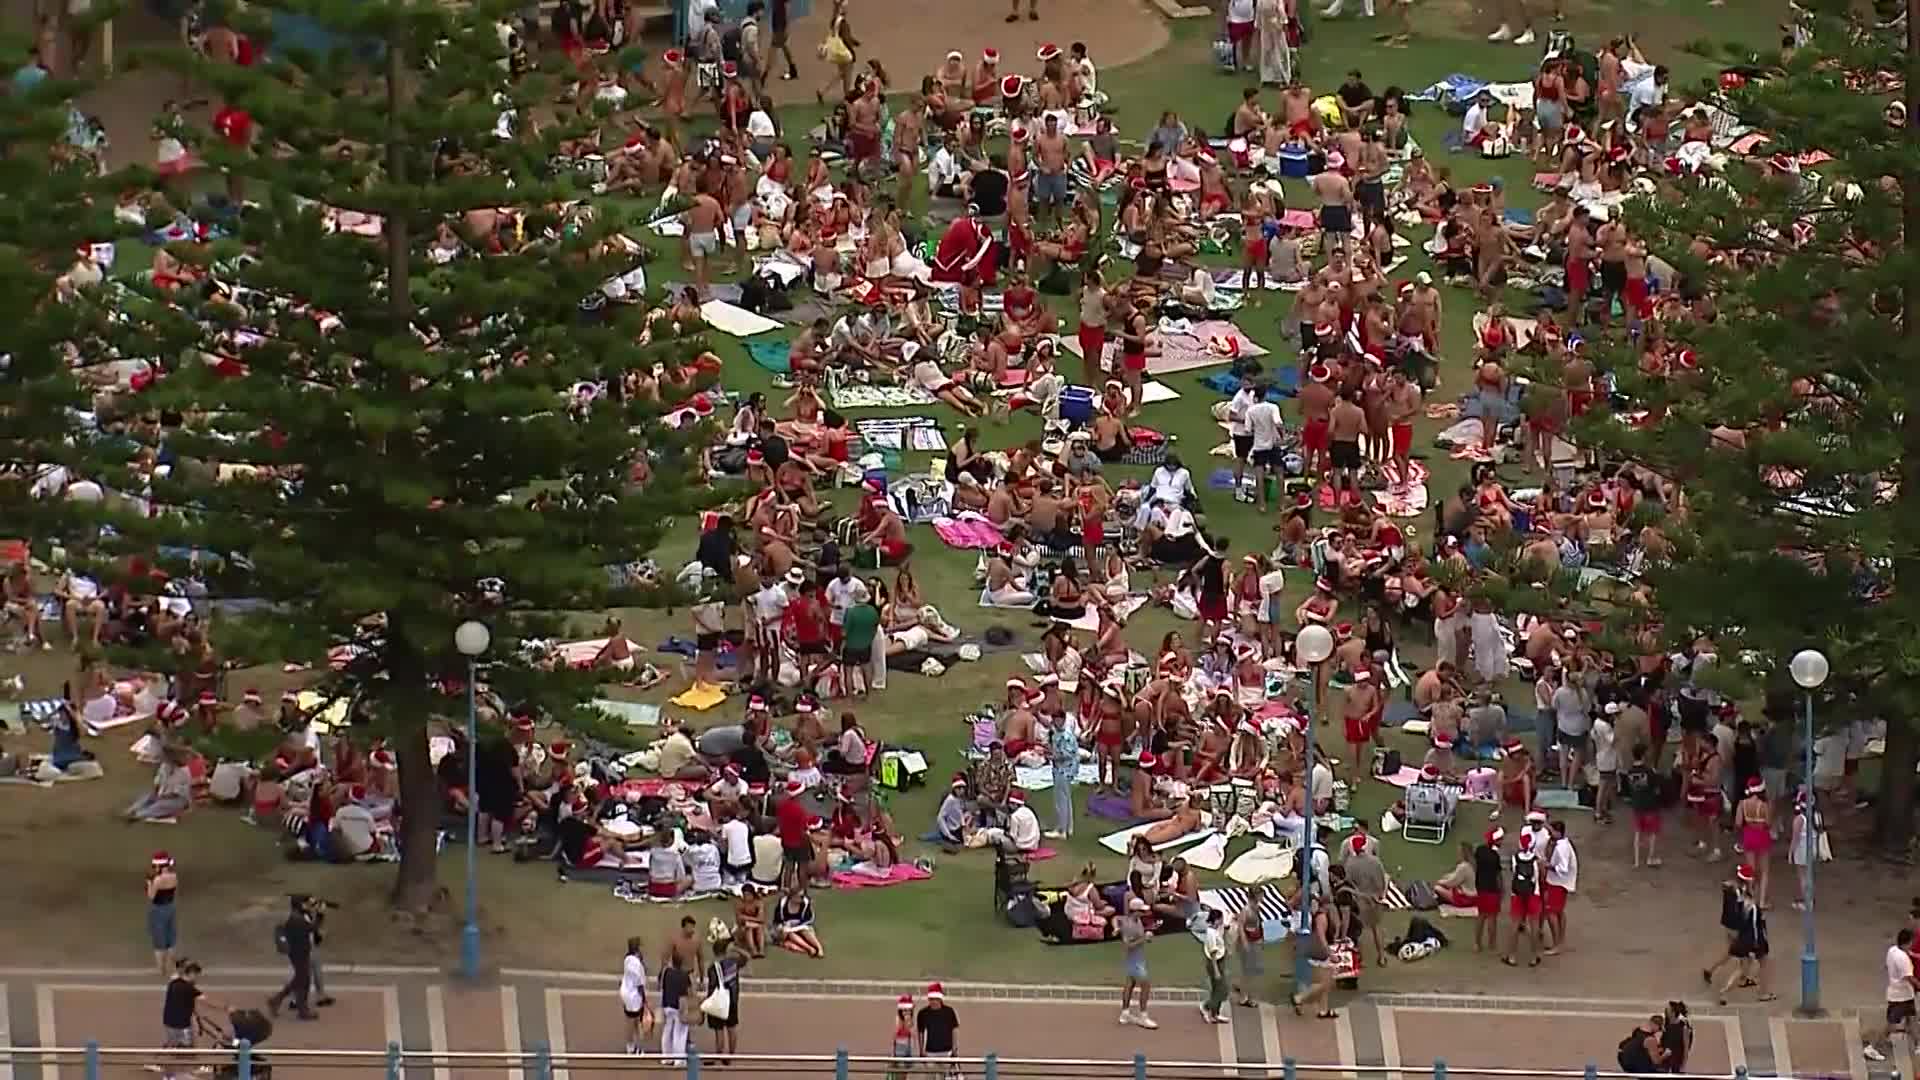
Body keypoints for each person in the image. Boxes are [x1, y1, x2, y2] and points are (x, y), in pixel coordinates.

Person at [1717, 864, 1773, 1004]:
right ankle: (1762, 993)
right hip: (1753, 938)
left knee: (1743, 967)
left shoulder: (1737, 894)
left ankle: (1727, 989)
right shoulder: (1751, 904)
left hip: (1742, 936)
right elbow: (1754, 924)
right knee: (1761, 964)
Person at [1866, 929, 1920, 1062]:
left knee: (1912, 1018)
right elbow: (1909, 977)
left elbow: (1887, 966)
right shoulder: (1903, 959)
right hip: (1900, 997)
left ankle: (1918, 1043)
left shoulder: (1893, 950)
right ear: (1908, 942)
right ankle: (1871, 1047)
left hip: (1901, 994)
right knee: (1891, 1025)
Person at [159, 960, 219, 1080]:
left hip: (170, 1022)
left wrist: (198, 1018)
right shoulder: (189, 988)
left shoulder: (174, 983)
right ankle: (175, 1074)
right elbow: (208, 1002)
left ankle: (170, 1073)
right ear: (191, 973)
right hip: (180, 1025)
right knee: (183, 1050)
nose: (197, 978)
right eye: (196, 975)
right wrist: (226, 1008)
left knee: (175, 1047)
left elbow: (188, 1004)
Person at [267, 895, 318, 1020]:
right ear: (300, 905)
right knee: (301, 979)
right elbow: (313, 928)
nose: (307, 905)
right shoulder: (297, 919)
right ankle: (277, 1000)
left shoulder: (297, 916)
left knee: (302, 980)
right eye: (305, 903)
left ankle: (301, 1009)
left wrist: (314, 910)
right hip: (298, 953)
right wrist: (320, 914)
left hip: (300, 952)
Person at [1117, 888, 1159, 1028]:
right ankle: (1143, 1016)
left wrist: (1146, 937)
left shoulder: (1137, 921)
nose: (1144, 912)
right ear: (1135, 911)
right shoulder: (1128, 925)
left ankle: (1125, 1013)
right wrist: (1143, 939)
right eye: (1141, 910)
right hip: (1134, 961)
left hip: (1138, 958)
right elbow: (1127, 945)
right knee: (1145, 985)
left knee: (1130, 984)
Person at [1504, 832, 1543, 967]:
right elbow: (1540, 877)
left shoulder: (1514, 858)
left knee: (1515, 925)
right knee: (1534, 926)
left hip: (1517, 894)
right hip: (1533, 894)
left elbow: (1513, 873)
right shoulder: (1537, 860)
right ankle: (1534, 956)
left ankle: (1512, 956)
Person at [705, 946, 747, 1064]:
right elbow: (746, 957)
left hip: (719, 1002)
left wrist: (708, 1002)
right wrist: (737, 949)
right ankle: (731, 1056)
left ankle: (718, 1054)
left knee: (719, 1030)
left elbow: (712, 986)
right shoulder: (733, 964)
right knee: (732, 1028)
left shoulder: (713, 968)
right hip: (732, 1001)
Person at [1542, 819, 1577, 955]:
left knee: (1551, 913)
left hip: (1557, 883)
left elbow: (1563, 868)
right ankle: (1560, 941)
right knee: (1559, 912)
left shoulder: (1561, 848)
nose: (1549, 833)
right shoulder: (1562, 844)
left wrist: (1547, 866)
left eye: (1551, 831)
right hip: (1560, 883)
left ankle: (1557, 944)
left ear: (1558, 832)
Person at [916, 982, 962, 1077]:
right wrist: (921, 1050)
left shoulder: (949, 1012)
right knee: (929, 1077)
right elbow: (920, 1032)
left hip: (946, 1052)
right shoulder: (923, 1013)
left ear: (940, 999)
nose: (933, 1002)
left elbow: (954, 1030)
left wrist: (954, 1049)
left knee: (945, 1076)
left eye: (935, 999)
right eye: (931, 999)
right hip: (930, 1053)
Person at [146, 851, 180, 976]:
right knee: (171, 940)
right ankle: (173, 968)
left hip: (158, 910)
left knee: (159, 942)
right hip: (170, 908)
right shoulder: (174, 876)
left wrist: (149, 883)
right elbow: (173, 891)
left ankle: (161, 970)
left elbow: (151, 896)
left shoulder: (158, 880)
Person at [620, 936, 653, 1054]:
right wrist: (645, 1001)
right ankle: (635, 1047)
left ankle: (631, 1045)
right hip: (633, 996)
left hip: (626, 993)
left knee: (631, 1020)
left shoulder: (627, 959)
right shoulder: (636, 963)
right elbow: (640, 984)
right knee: (635, 1022)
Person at [659, 950, 694, 1065]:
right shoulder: (684, 975)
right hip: (679, 1007)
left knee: (667, 1031)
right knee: (680, 1033)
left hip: (667, 1005)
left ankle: (666, 1057)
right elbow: (689, 992)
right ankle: (679, 1059)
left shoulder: (667, 972)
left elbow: (662, 986)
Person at [1473, 828, 1504, 953]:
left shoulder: (1480, 850)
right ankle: (1492, 943)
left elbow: (1476, 866)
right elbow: (1498, 875)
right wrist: (1501, 890)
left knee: (1481, 915)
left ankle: (1477, 943)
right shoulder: (1495, 856)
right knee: (1492, 917)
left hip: (1480, 887)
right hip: (1492, 889)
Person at [1199, 907, 1230, 1024]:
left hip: (1220, 961)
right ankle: (1211, 1011)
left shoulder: (1215, 929)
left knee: (1219, 988)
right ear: (1216, 920)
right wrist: (1216, 970)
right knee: (1220, 989)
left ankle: (1211, 1009)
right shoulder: (1211, 934)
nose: (1222, 920)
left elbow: (1224, 927)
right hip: (1215, 963)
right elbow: (1213, 953)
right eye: (1221, 918)